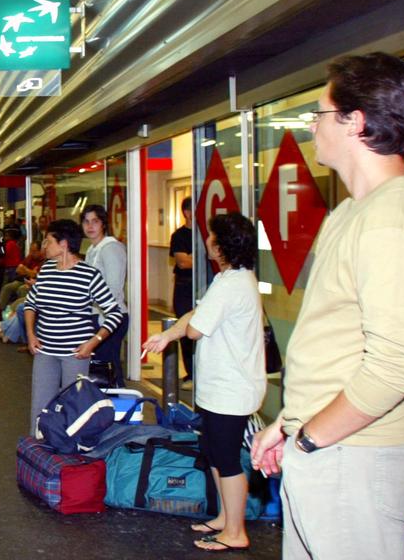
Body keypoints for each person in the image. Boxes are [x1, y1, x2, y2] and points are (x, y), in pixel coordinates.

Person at [251, 53, 404, 560]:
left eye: (320, 113)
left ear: (354, 121)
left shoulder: (394, 219)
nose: (312, 127)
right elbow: (339, 342)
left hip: (356, 456)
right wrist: (290, 423)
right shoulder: (352, 211)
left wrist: (311, 439)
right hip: (335, 448)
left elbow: (397, 367)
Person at [142, 213, 265, 552]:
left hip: (231, 390)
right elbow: (193, 317)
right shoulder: (230, 278)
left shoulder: (232, 284)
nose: (207, 240)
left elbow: (196, 328)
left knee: (225, 457)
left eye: (212, 235)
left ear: (223, 244)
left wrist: (181, 329)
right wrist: (167, 335)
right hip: (219, 388)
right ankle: (226, 517)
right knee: (212, 451)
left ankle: (236, 531)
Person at [25, 219, 126, 433]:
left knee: (73, 405)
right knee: (40, 405)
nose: (45, 246)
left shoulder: (89, 275)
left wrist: (93, 342)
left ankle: (69, 451)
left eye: (48, 241)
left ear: (63, 244)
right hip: (45, 350)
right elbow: (30, 304)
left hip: (75, 353)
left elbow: (114, 312)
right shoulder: (46, 270)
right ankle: (38, 448)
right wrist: (30, 334)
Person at [81, 204, 129, 382]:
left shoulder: (111, 248)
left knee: (109, 369)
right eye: (86, 222)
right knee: (101, 369)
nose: (90, 226)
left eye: (95, 221)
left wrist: (103, 320)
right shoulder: (93, 249)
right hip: (97, 316)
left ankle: (119, 405)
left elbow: (114, 288)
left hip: (111, 317)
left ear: (103, 224)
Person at [170, 197, 198, 387]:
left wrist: (192, 257)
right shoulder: (179, 236)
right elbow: (183, 262)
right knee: (185, 331)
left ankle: (201, 373)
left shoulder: (204, 235)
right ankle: (190, 373)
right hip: (184, 287)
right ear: (187, 212)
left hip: (202, 288)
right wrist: (200, 258)